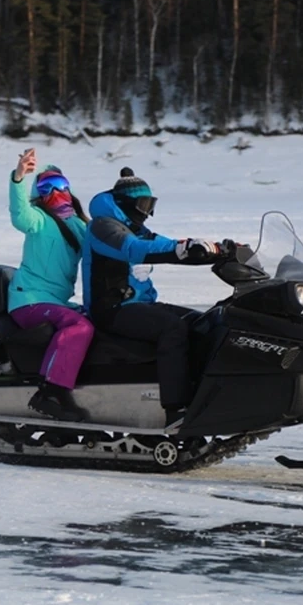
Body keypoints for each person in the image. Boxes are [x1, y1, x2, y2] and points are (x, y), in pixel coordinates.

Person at [82, 167, 234, 426]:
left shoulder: (132, 228)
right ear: (125, 203)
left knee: (204, 322)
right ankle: (175, 407)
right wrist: (182, 249)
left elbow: (165, 245)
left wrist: (216, 251)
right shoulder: (103, 227)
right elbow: (135, 250)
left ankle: (205, 393)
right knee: (172, 328)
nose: (147, 212)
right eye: (142, 204)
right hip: (112, 308)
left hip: (137, 304)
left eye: (150, 204)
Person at [7, 148, 93, 422]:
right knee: (79, 326)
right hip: (29, 301)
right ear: (40, 194)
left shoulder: (80, 225)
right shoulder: (39, 220)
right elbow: (19, 213)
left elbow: (109, 242)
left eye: (61, 185)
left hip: (56, 302)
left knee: (99, 320)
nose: (55, 191)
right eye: (47, 187)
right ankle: (50, 392)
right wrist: (19, 178)